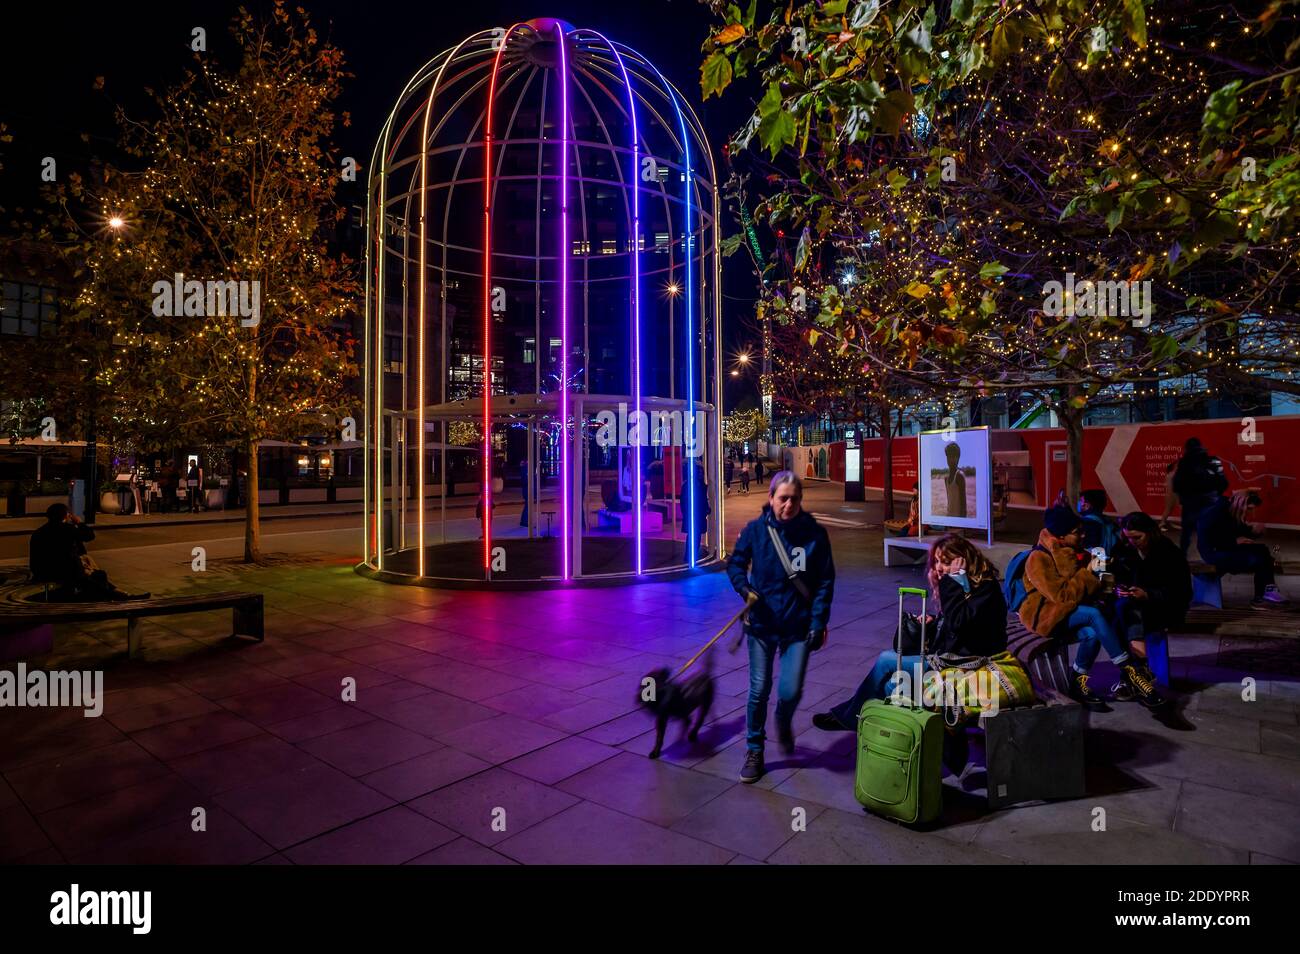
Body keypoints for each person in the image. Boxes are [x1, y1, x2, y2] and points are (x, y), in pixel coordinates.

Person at [813, 534, 1007, 731]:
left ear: (963, 561)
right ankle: (865, 724)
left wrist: (952, 581)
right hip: (951, 660)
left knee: (886, 659)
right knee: (891, 685)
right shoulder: (964, 587)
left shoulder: (985, 589)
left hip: (968, 666)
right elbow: (958, 622)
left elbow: (960, 623)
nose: (939, 568)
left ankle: (849, 719)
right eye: (937, 561)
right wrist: (935, 621)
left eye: (946, 562)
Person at [727, 472, 834, 783]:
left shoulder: (814, 535)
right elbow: (735, 564)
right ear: (771, 498)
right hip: (761, 625)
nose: (788, 504)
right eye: (782, 498)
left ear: (800, 500)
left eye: (794, 498)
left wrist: (818, 621)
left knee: (790, 691)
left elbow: (825, 581)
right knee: (759, 690)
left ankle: (783, 719)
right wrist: (744, 589)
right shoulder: (755, 531)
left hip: (798, 628)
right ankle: (754, 748)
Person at [1020, 505, 1162, 706]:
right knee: (1093, 615)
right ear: (1061, 536)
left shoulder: (1074, 551)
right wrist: (1087, 573)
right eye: (1078, 532)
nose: (1084, 535)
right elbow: (1062, 596)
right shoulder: (1038, 559)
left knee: (1092, 633)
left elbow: (1095, 582)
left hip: (1068, 613)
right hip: (1044, 616)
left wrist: (1105, 572)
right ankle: (1131, 672)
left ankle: (1078, 684)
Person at [1110, 511, 1192, 658]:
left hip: (1164, 607)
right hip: (1131, 605)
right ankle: (1136, 669)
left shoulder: (1169, 553)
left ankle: (1136, 669)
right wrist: (1119, 589)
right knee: (1119, 613)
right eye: (1128, 537)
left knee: (1126, 613)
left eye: (1137, 537)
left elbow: (1181, 591)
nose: (1132, 542)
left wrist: (1148, 594)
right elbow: (1115, 576)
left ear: (1149, 532)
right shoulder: (1123, 549)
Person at [29, 504, 147, 602]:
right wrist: (79, 523)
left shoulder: (39, 532)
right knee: (94, 577)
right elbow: (89, 536)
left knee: (95, 577)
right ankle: (121, 596)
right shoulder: (67, 529)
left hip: (41, 570)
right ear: (65, 516)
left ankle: (121, 594)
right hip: (61, 572)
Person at [1196, 490, 1289, 608]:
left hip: (1226, 548)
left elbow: (1239, 532)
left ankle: (1266, 592)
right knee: (1258, 559)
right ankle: (1262, 596)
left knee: (1262, 550)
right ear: (1241, 503)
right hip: (1212, 553)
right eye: (1249, 509)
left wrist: (1255, 532)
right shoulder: (1218, 508)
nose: (1250, 512)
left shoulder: (1233, 512)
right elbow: (1206, 533)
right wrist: (1233, 541)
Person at [1171, 438, 1227, 554]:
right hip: (1211, 501)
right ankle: (1215, 557)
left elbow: (1176, 484)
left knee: (1186, 533)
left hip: (1190, 503)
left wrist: (1182, 500)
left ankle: (1183, 556)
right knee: (1212, 530)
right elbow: (1223, 483)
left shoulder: (1184, 463)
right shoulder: (1213, 461)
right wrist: (1216, 495)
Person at [680, 459, 711, 562]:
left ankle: (692, 555)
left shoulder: (700, 486)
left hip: (698, 515)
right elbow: (684, 502)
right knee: (693, 536)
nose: (701, 474)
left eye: (702, 472)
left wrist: (706, 509)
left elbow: (703, 500)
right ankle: (689, 556)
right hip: (693, 515)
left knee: (696, 536)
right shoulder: (689, 485)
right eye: (700, 472)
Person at [1078, 489, 1121, 554]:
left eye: (1081, 501)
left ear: (1087, 505)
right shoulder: (1108, 521)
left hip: (1095, 561)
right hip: (1108, 559)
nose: (1079, 503)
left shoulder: (1087, 522)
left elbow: (1087, 547)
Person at [943, 441, 967, 517]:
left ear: (958, 458)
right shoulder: (946, 478)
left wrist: (962, 523)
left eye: (953, 456)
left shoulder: (959, 476)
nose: (951, 459)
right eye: (949, 456)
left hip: (958, 518)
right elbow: (949, 500)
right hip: (949, 515)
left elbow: (963, 504)